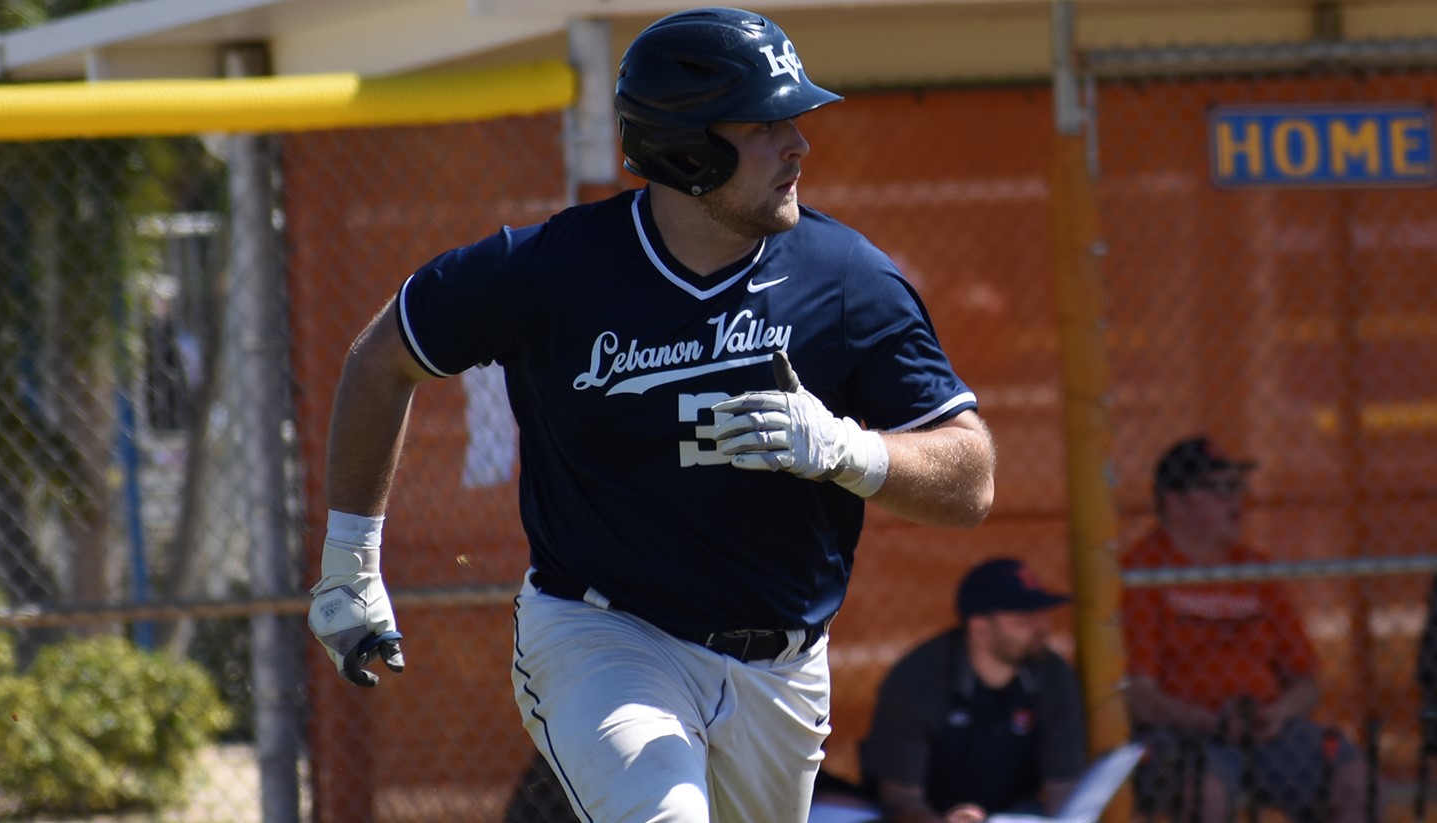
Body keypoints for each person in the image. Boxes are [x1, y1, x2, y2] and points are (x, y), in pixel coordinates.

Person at [304, 7, 997, 823]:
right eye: (765, 125)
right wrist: (349, 561)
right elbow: (380, 358)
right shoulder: (551, 269)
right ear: (685, 146)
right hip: (606, 634)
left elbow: (971, 476)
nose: (797, 145)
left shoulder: (845, 277)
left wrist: (850, 451)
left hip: (781, 666)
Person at [1122, 436, 1374, 823]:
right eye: (1219, 489)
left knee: (1357, 780)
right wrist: (1212, 722)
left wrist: (1276, 714)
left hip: (1269, 731)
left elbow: (1307, 681)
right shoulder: (1141, 573)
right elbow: (1140, 696)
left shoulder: (1257, 569)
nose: (1237, 502)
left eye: (1237, 488)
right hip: (1186, 735)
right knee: (1202, 792)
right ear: (1175, 503)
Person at [859, 558, 1087, 823]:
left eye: (1042, 614)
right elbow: (899, 797)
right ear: (980, 627)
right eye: (1024, 618)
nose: (1043, 627)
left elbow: (1063, 787)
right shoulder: (917, 678)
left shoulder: (1053, 674)